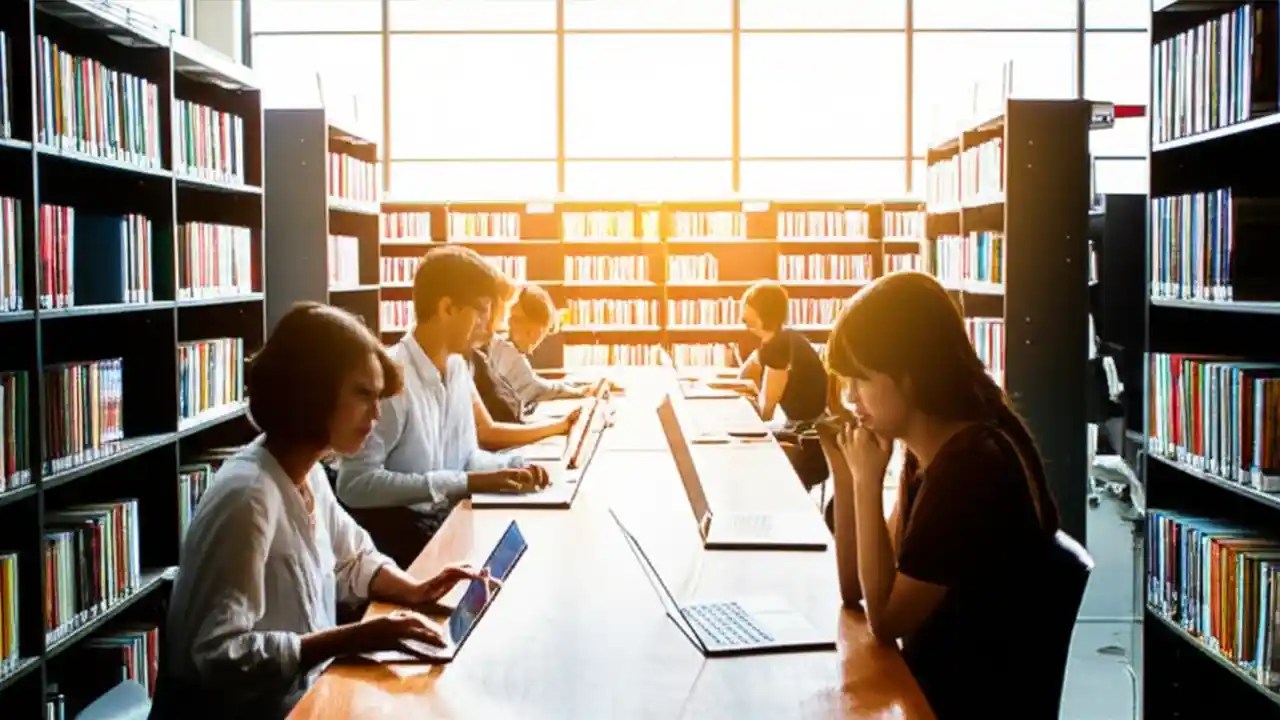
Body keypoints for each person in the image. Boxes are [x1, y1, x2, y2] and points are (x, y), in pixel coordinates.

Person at [150, 303, 494, 720]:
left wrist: (414, 590)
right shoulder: (248, 498)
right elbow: (218, 656)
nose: (377, 414)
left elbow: (353, 558)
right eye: (363, 395)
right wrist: (350, 639)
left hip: (305, 700)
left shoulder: (308, 472)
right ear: (312, 391)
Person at [819, 271, 1069, 718]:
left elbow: (886, 620)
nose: (850, 397)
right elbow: (855, 587)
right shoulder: (929, 453)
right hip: (935, 688)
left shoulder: (970, 469)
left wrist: (866, 482)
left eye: (861, 379)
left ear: (910, 375)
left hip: (962, 702)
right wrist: (844, 471)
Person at [336, 246, 551, 568]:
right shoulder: (391, 378)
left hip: (449, 524)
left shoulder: (458, 368)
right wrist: (466, 482)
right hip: (401, 543)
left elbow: (465, 459)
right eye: (482, 311)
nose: (489, 327)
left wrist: (515, 466)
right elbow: (354, 486)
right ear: (448, 307)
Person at [737, 280, 829, 489]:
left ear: (762, 314)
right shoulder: (784, 338)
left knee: (740, 446)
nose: (743, 314)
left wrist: (745, 399)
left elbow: (766, 411)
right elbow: (750, 366)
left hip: (806, 439)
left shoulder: (778, 347)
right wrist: (742, 385)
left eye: (748, 307)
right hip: (813, 430)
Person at [467, 281, 583, 447]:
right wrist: (580, 393)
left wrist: (580, 388)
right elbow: (536, 388)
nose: (509, 324)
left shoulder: (496, 350)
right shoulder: (500, 352)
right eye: (512, 318)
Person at [486, 284, 592, 404]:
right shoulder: (507, 352)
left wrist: (582, 383)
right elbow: (537, 389)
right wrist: (580, 391)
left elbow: (537, 383)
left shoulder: (503, 348)